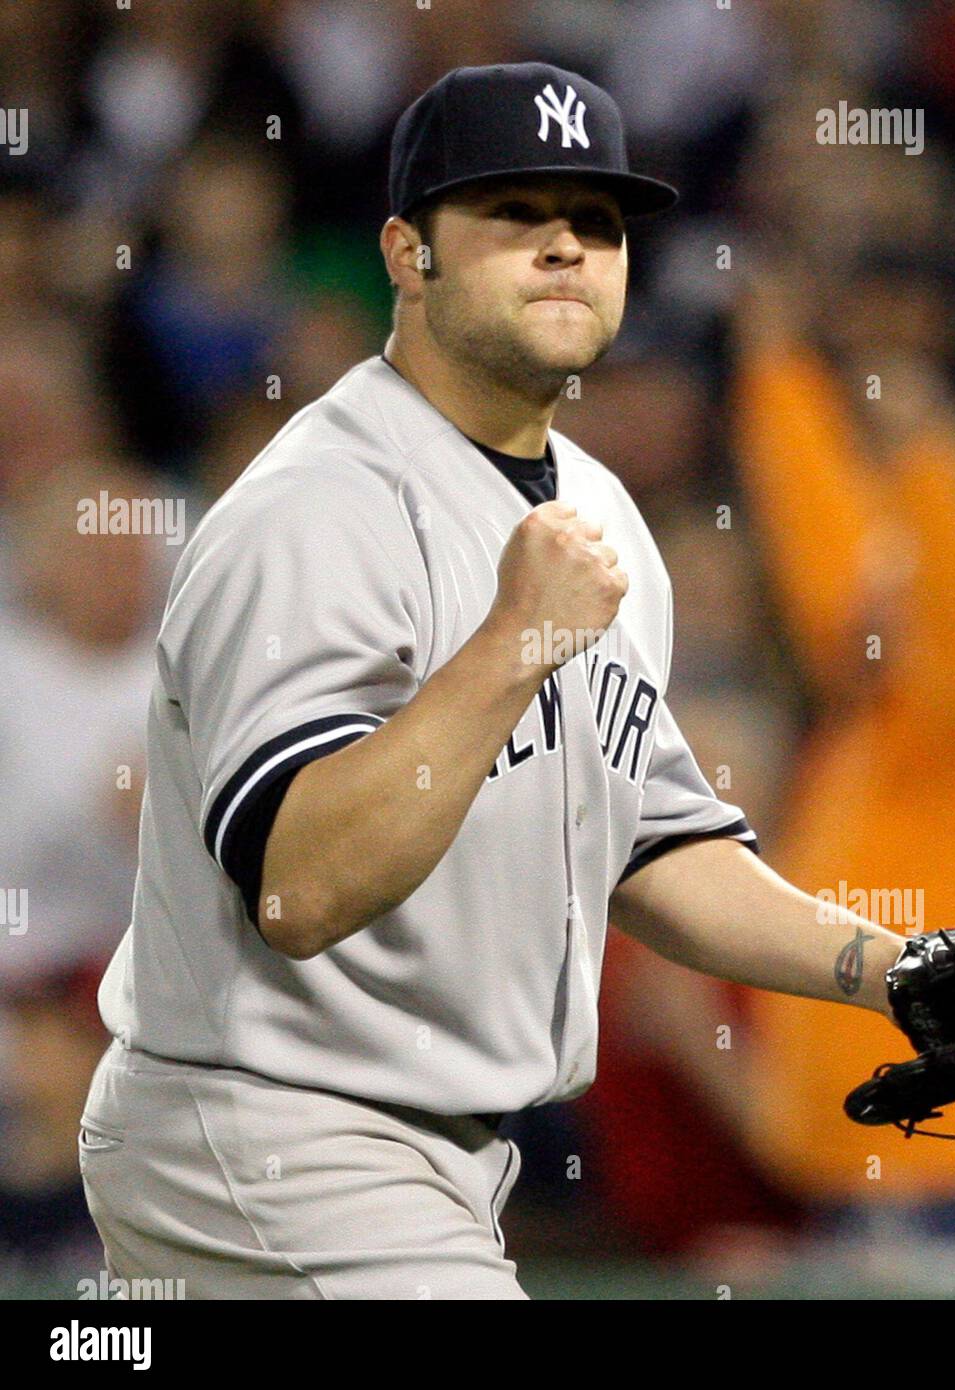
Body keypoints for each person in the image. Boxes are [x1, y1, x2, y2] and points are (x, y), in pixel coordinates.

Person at [79, 61, 907, 1301]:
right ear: (407, 254)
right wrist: (517, 641)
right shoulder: (317, 511)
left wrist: (898, 973)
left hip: (426, 1155)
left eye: (596, 223)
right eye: (515, 214)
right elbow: (299, 884)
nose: (566, 248)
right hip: (271, 1128)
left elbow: (651, 846)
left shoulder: (600, 511)